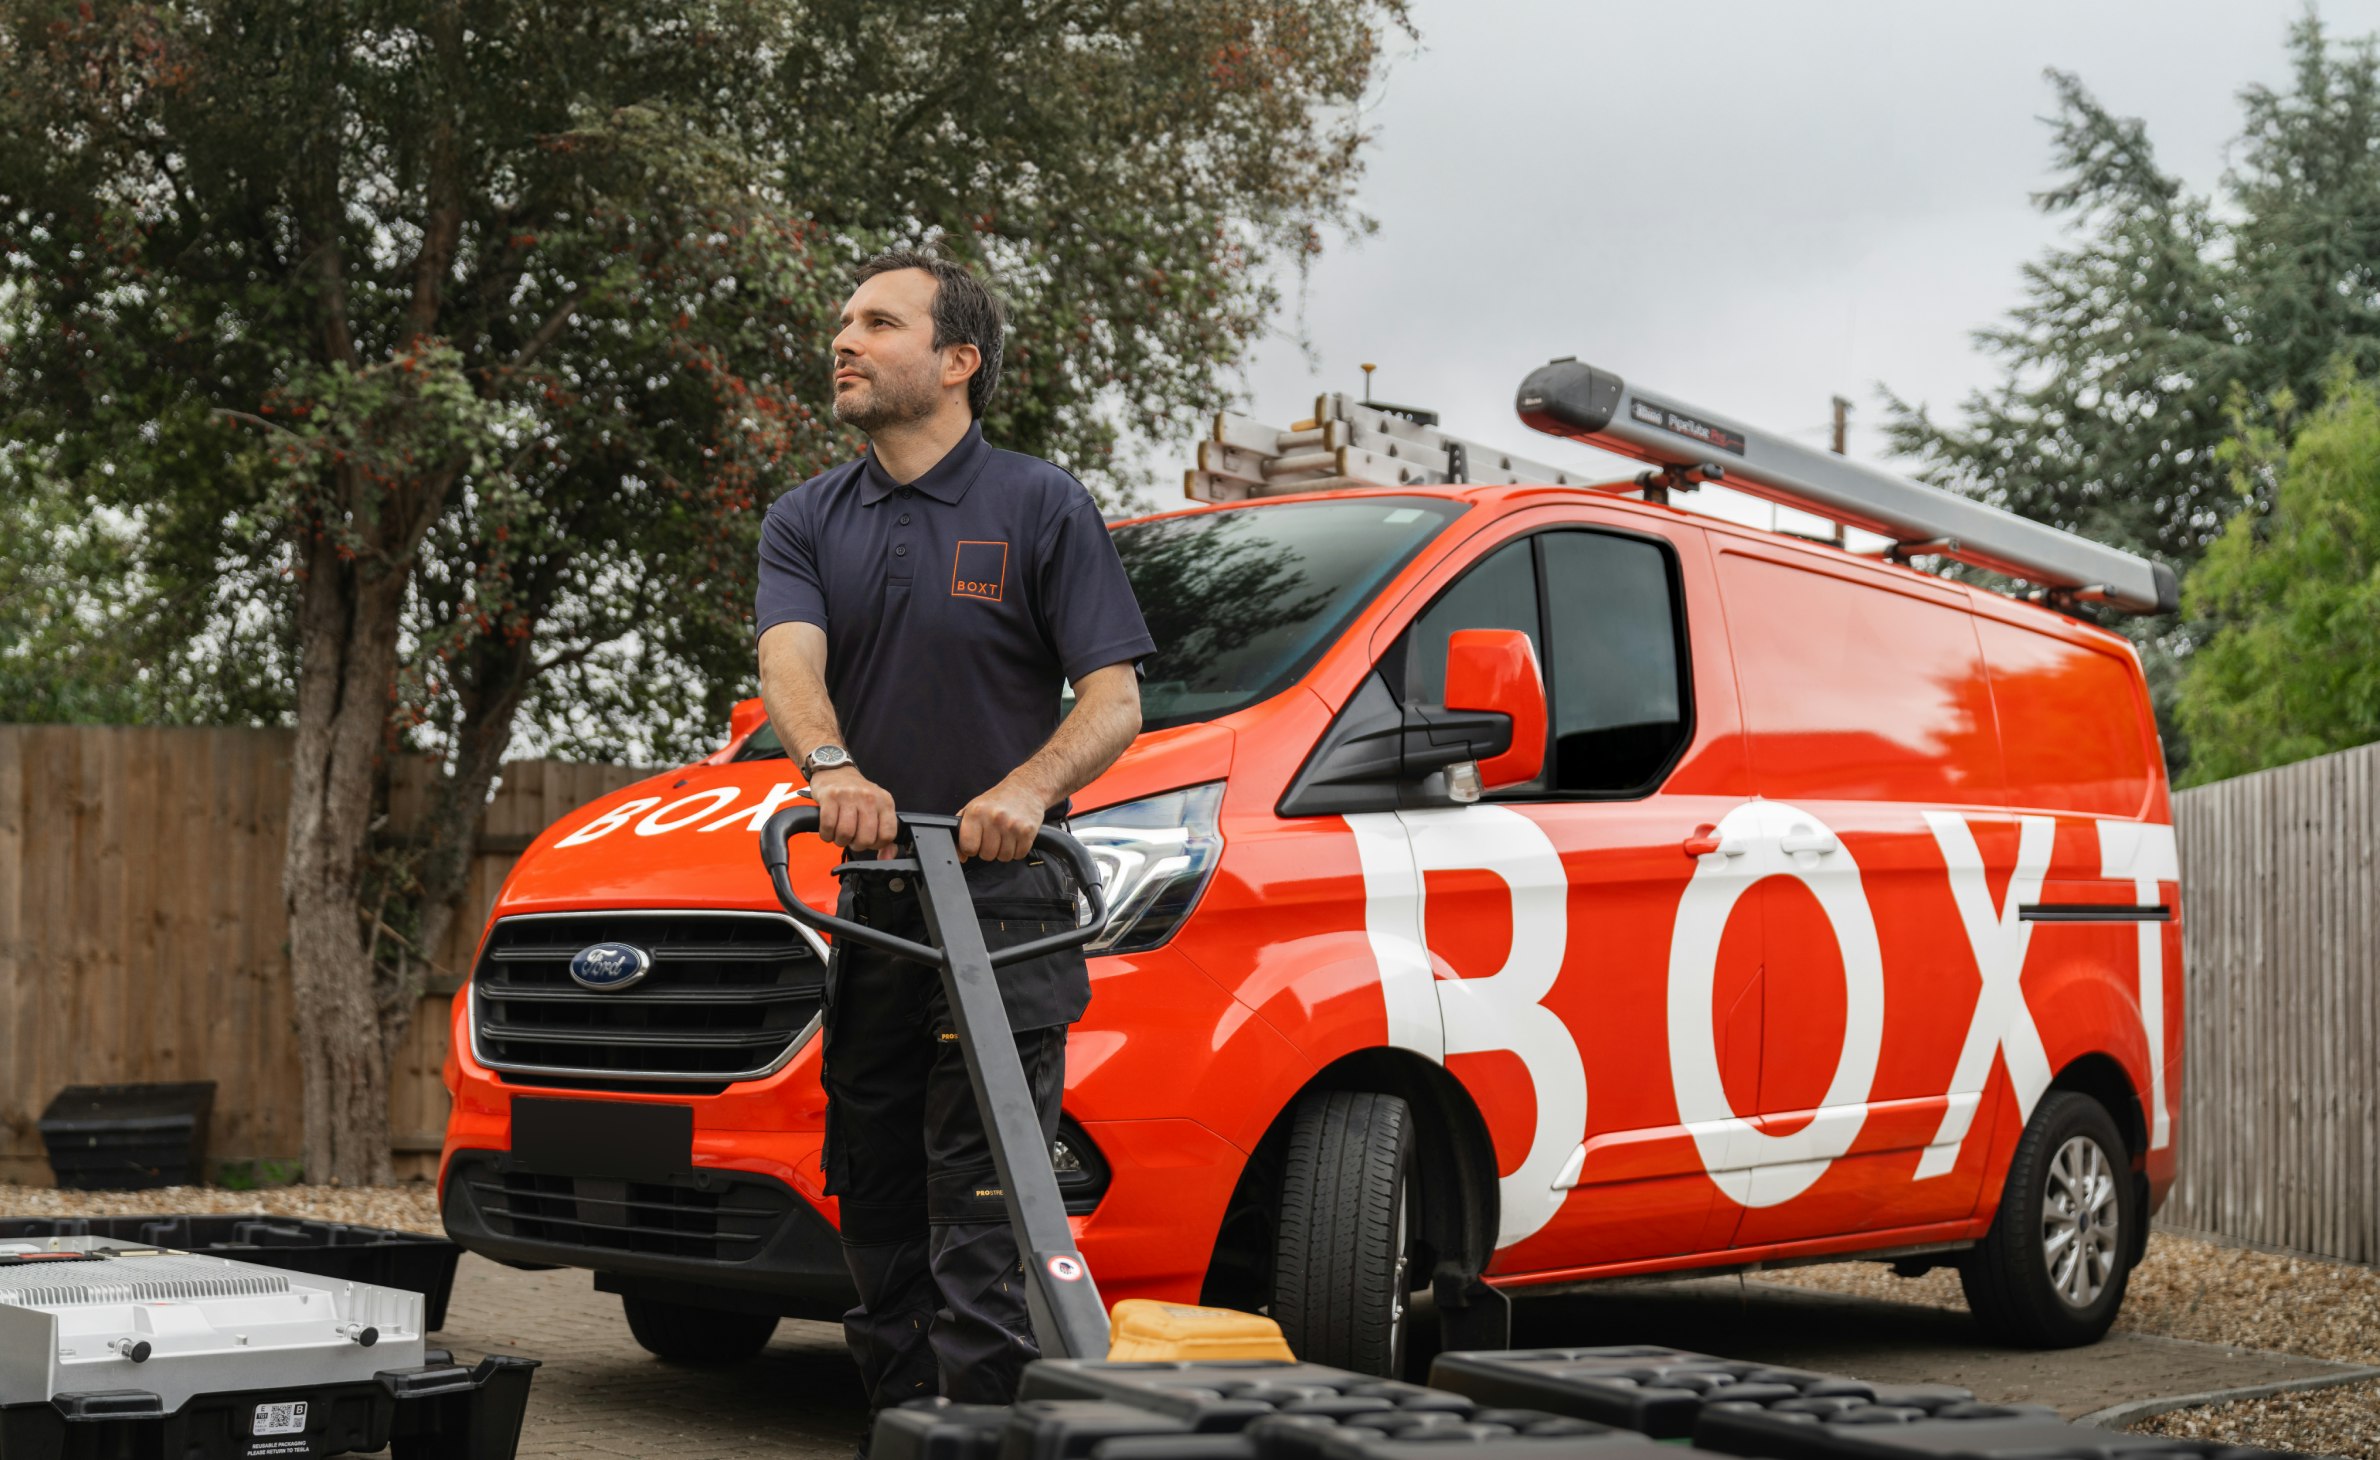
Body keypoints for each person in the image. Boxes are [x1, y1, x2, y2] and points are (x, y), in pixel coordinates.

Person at [752, 247, 1154, 1437]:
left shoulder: (1038, 503)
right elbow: (789, 660)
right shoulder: (807, 516)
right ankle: (905, 1425)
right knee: (873, 1182)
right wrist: (832, 768)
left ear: (956, 359)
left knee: (982, 1196)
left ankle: (976, 1428)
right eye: (842, 320)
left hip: (1006, 897)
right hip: (875, 894)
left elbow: (1115, 697)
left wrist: (1027, 788)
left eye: (878, 321)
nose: (844, 340)